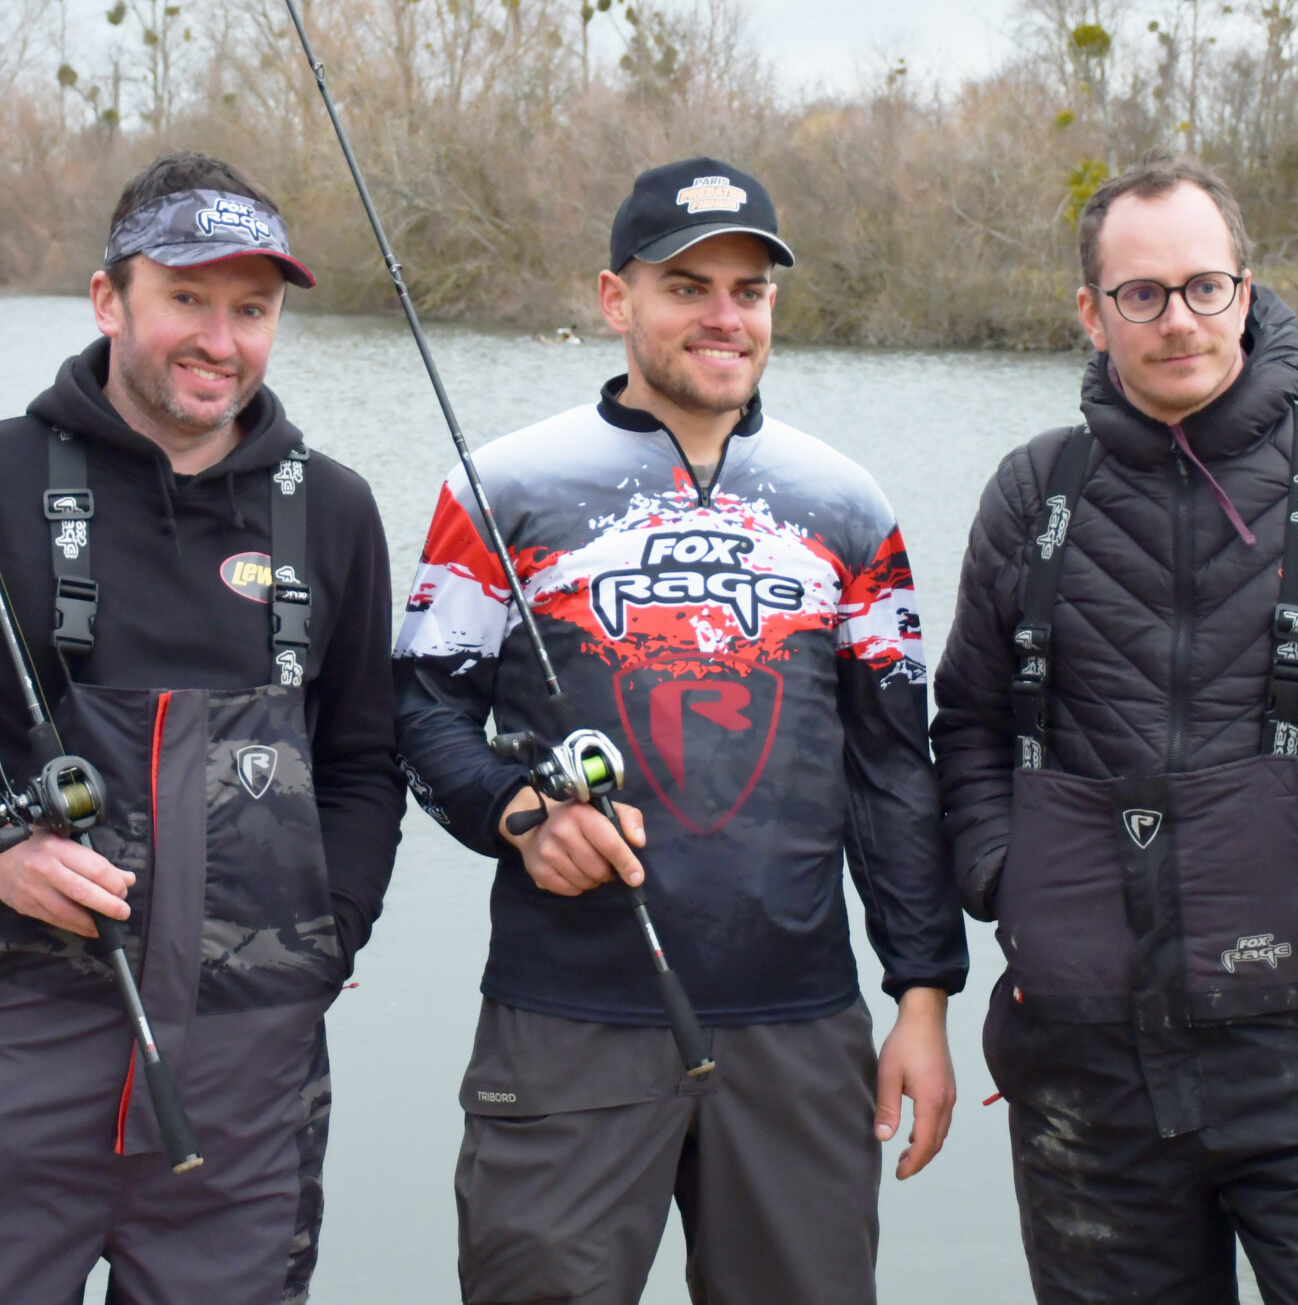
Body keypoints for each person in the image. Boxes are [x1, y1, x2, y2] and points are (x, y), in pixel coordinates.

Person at [931, 157, 1298, 1304]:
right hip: (1084, 1072)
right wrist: (1003, 878)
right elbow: (964, 725)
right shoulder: (1030, 497)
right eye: (1141, 294)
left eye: (1204, 287)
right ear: (1090, 314)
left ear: (1246, 294)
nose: (1178, 320)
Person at [0, 153, 403, 1305]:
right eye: (187, 299)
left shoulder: (334, 511)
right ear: (106, 298)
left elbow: (366, 764)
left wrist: (334, 934)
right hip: (17, 1061)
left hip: (250, 1086)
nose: (220, 341)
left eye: (252, 310)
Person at [394, 157, 968, 1305]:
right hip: (564, 1021)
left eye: (748, 291)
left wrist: (921, 998)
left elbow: (895, 768)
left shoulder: (849, 505)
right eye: (687, 285)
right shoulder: (499, 486)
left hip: (799, 1030)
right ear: (617, 300)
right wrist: (516, 818)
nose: (723, 316)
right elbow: (420, 711)